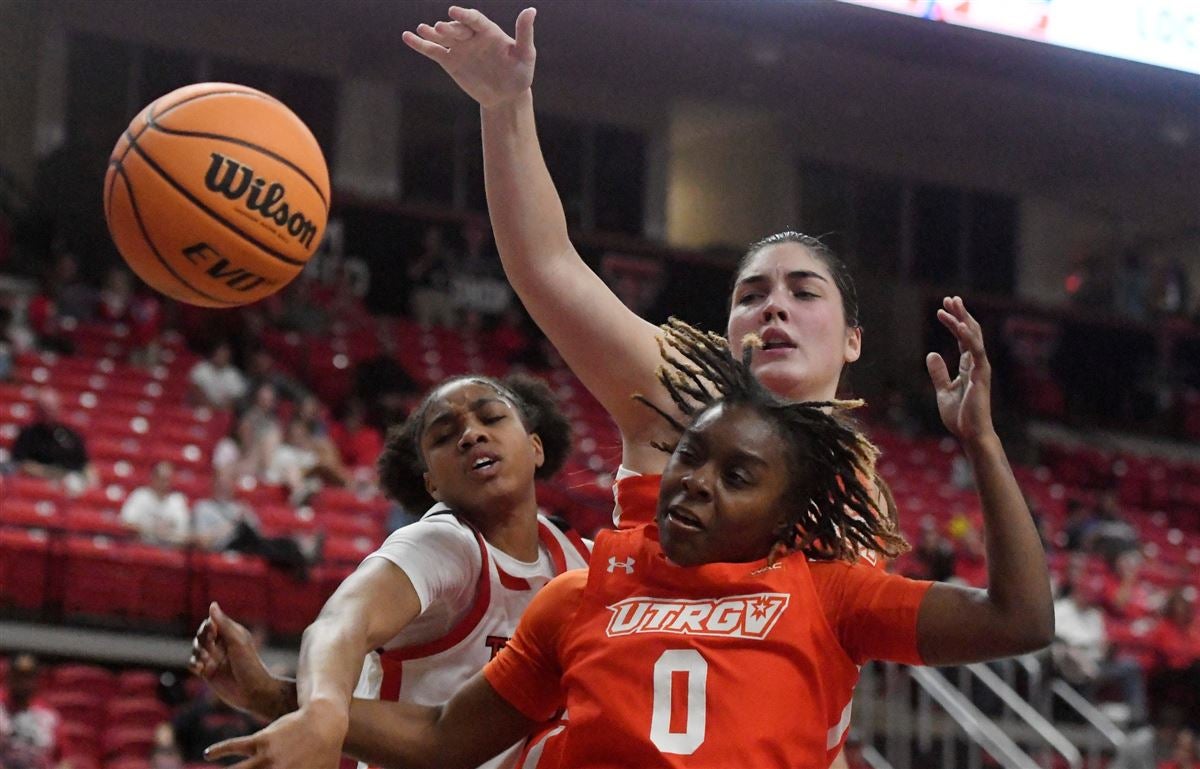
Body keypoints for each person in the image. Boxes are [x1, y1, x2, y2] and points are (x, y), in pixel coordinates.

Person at [202, 311, 1052, 769]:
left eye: (738, 476)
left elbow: (1020, 618)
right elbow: (439, 741)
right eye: (690, 455)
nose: (696, 482)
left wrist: (980, 442)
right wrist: (289, 701)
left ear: (785, 518)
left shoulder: (830, 594)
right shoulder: (580, 592)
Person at [190, 373, 590, 769]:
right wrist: (321, 710)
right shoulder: (442, 543)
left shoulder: (587, 563)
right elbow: (343, 622)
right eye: (444, 436)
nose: (471, 434)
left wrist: (269, 694)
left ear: (535, 447)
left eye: (491, 418)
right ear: (432, 484)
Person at [11, 387, 96, 488]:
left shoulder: (71, 435)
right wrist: (57, 475)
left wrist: (92, 485)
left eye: (51, 407)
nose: (49, 412)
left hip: (72, 484)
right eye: (45, 408)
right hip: (39, 485)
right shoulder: (28, 435)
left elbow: (85, 464)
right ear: (38, 410)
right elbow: (22, 464)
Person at [0, 654, 62, 769]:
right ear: (9, 677)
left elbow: (64, 759)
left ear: (35, 680)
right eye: (18, 676)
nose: (22, 682)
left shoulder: (48, 715)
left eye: (27, 677)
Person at [120, 461, 191, 546]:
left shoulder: (177, 501)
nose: (164, 483)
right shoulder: (141, 495)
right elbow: (126, 523)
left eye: (167, 479)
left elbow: (184, 533)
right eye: (161, 478)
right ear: (153, 477)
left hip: (169, 549)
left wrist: (167, 534)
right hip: (143, 546)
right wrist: (152, 530)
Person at [189, 341, 248, 410]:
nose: (222, 356)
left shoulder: (234, 374)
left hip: (223, 411)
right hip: (202, 408)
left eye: (225, 354)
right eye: (220, 354)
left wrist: (220, 409)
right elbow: (196, 392)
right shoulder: (200, 369)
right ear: (213, 354)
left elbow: (234, 400)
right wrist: (211, 406)